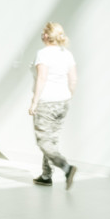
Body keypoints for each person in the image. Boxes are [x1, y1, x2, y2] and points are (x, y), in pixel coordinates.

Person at [28, 21, 78, 189]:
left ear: (47, 35)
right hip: (63, 102)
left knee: (44, 142)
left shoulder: (43, 53)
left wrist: (34, 102)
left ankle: (66, 168)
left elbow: (42, 78)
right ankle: (46, 175)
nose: (41, 35)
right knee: (52, 141)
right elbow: (73, 79)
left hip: (47, 102)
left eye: (43, 32)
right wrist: (68, 95)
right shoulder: (67, 54)